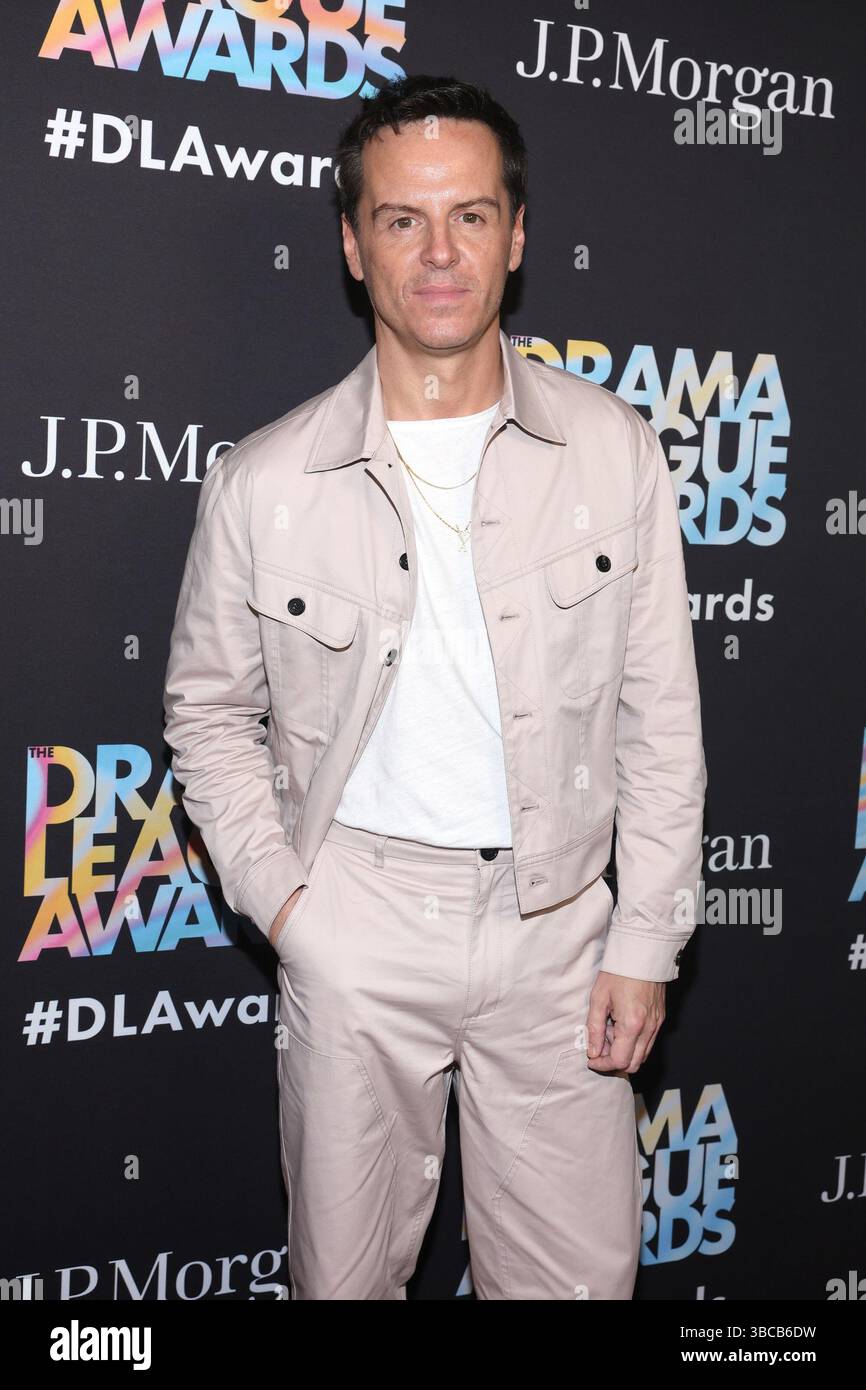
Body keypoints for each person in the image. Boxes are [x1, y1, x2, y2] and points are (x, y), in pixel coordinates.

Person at [163, 73, 707, 1301]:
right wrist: (293, 912)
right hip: (355, 911)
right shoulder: (267, 481)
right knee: (342, 1284)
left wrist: (643, 936)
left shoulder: (612, 449)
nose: (439, 251)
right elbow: (205, 710)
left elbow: (657, 718)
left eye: (469, 214)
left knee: (576, 1285)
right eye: (402, 219)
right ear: (353, 247)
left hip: (560, 924)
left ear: (517, 235)